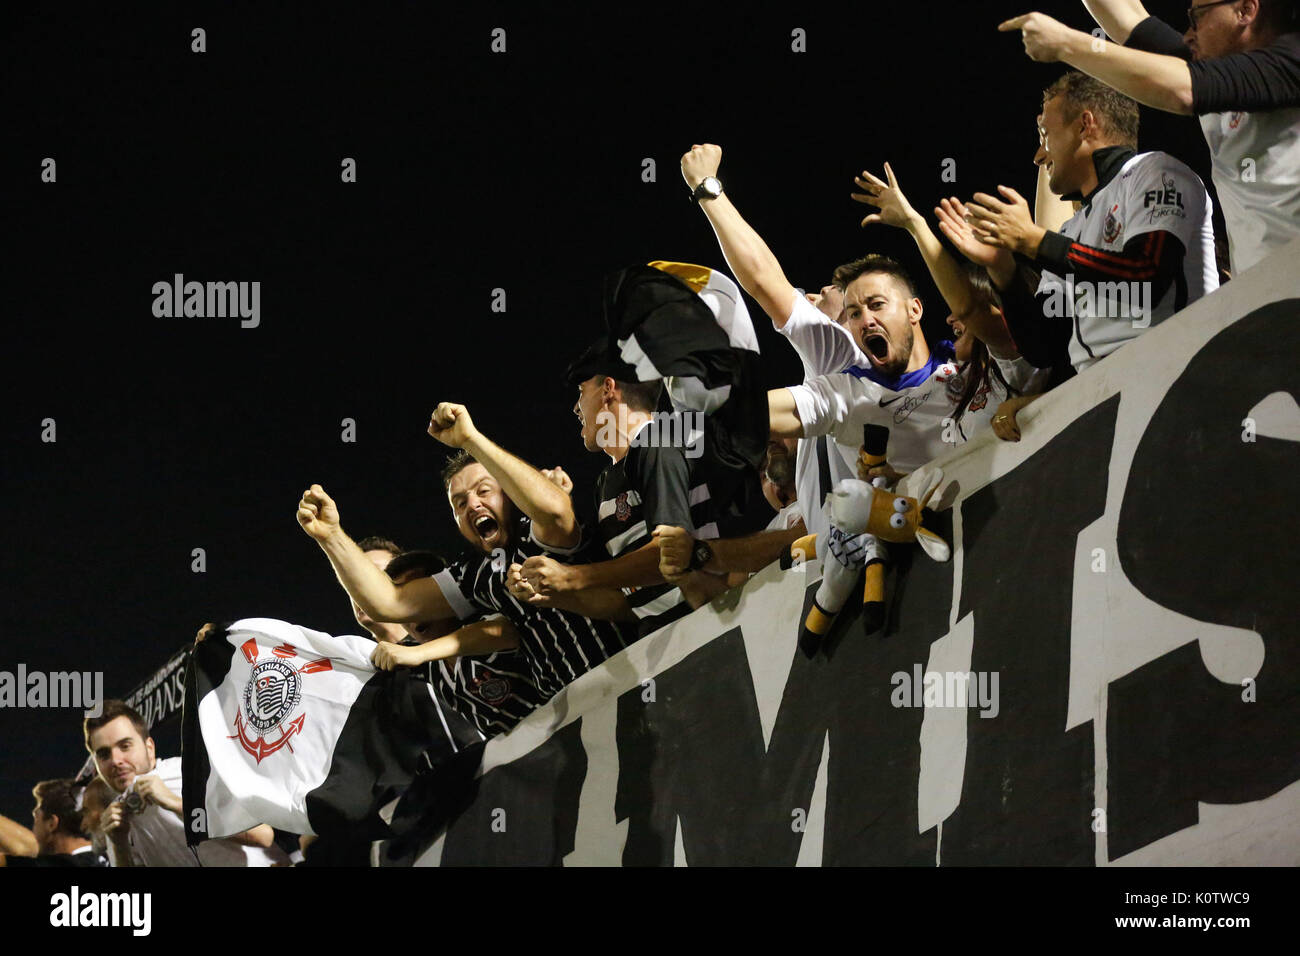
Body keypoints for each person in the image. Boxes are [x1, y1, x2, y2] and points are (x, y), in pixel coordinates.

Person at [298, 403, 636, 701]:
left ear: (509, 495)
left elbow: (555, 511)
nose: (473, 504)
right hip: (576, 712)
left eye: (484, 490)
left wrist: (470, 438)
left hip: (636, 676)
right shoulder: (476, 576)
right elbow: (389, 603)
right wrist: (331, 535)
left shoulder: (540, 536)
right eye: (460, 504)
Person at [947, 71, 1217, 444]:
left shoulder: (1154, 171)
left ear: (1085, 125)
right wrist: (1003, 269)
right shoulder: (1071, 232)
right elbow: (1044, 347)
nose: (1039, 154)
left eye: (1045, 135)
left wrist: (1036, 244)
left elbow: (1148, 277)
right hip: (1104, 402)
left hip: (1177, 384)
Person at [1000, 0, 1300, 273]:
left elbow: (1182, 90)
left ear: (1245, 10)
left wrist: (1067, 43)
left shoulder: (1292, 59)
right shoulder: (1209, 67)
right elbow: (1128, 19)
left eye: (1196, 17)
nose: (1187, 35)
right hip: (1263, 291)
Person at [84, 699, 286, 866]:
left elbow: (263, 835)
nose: (115, 760)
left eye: (125, 746)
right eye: (103, 754)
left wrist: (178, 804)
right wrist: (118, 844)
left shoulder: (191, 772)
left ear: (149, 748)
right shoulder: (116, 819)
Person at [371, 550, 547, 738]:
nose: (412, 614)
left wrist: (420, 653)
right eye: (401, 606)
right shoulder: (425, 664)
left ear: (441, 594)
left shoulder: (485, 615)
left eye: (416, 601)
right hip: (523, 759)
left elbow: (502, 632)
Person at [0, 780, 106, 867]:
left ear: (51, 824)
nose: (34, 829)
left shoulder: (65, 864)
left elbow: (27, 848)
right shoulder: (110, 856)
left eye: (36, 818)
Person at [352, 536, 408, 643]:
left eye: (375, 573)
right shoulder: (352, 655)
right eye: (353, 579)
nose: (360, 587)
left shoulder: (443, 647)